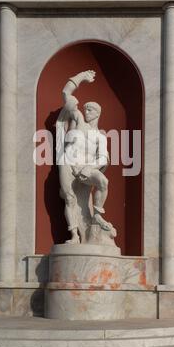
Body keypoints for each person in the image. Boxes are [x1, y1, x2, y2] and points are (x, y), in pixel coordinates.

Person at [56, 70, 113, 244]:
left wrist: (91, 168)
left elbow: (103, 158)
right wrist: (81, 77)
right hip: (68, 163)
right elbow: (66, 93)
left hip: (85, 168)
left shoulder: (100, 137)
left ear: (97, 113)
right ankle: (74, 236)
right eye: (86, 108)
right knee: (70, 198)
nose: (86, 111)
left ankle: (97, 214)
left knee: (103, 182)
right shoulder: (79, 119)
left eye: (90, 109)